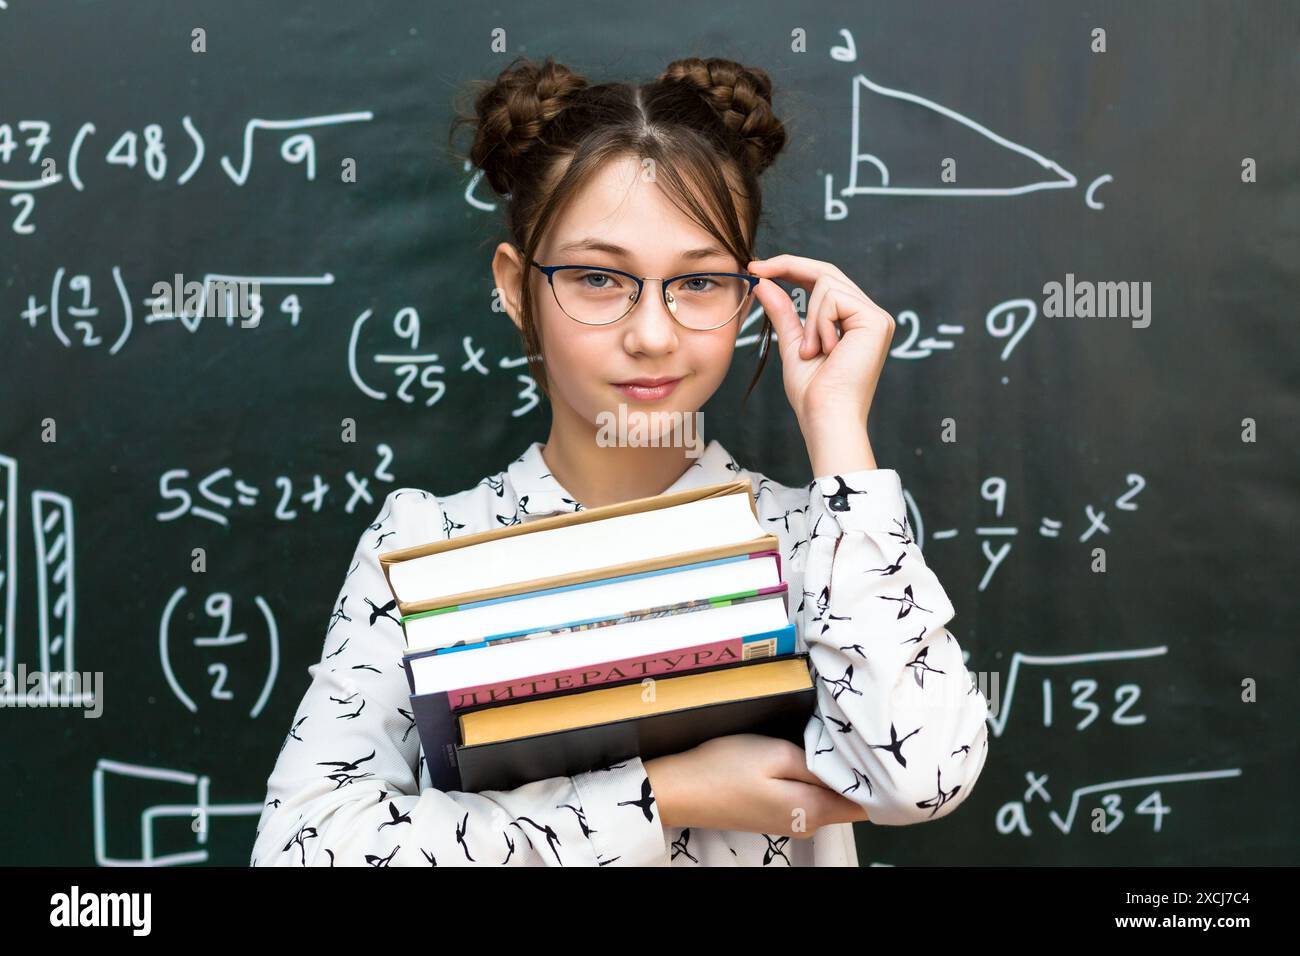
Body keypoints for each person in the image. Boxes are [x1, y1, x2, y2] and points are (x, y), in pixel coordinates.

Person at [250, 54, 990, 866]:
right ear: (513, 285)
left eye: (700, 281)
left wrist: (839, 431)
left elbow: (925, 776)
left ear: (752, 294)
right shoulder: (426, 544)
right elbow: (302, 847)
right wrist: (665, 792)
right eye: (600, 278)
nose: (652, 335)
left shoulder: (816, 541)